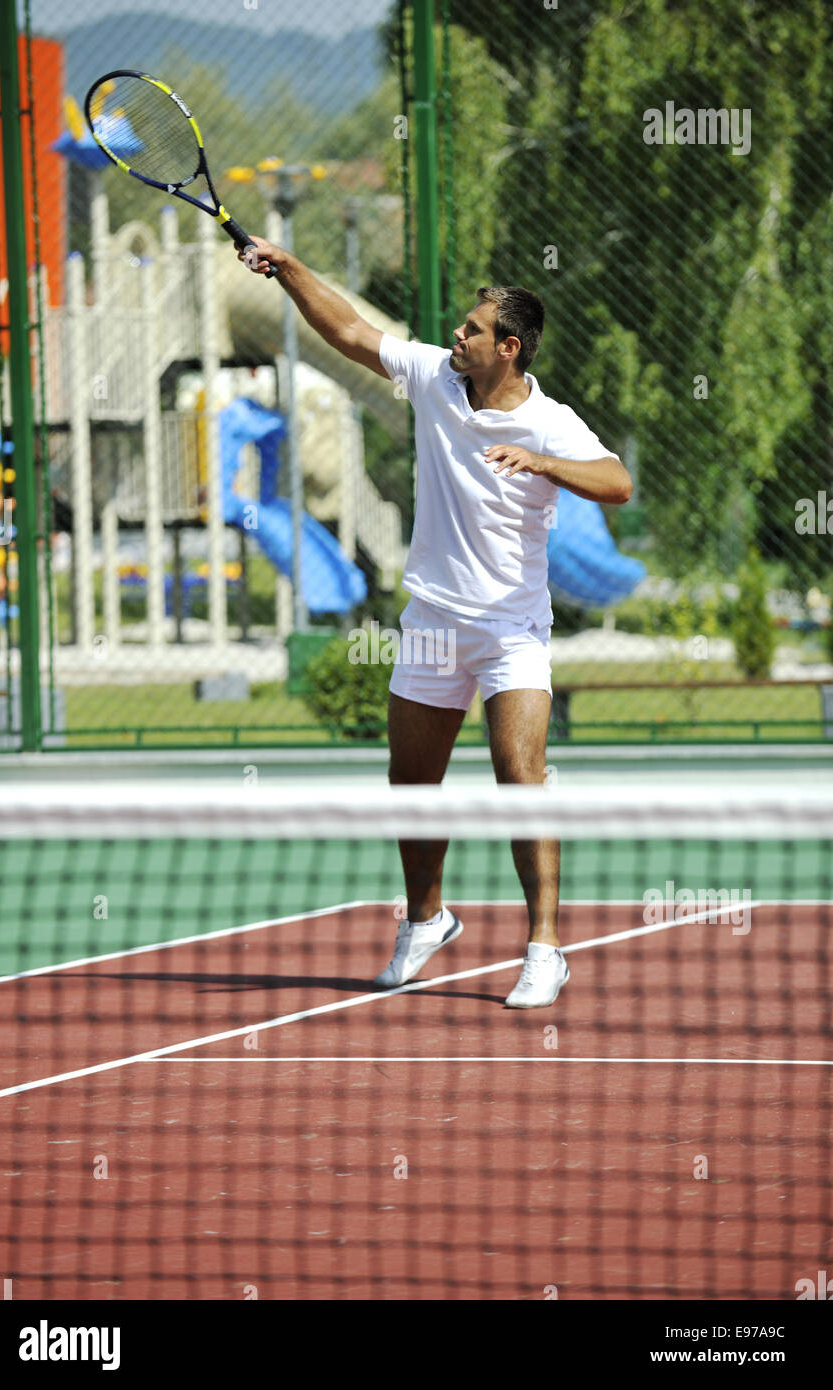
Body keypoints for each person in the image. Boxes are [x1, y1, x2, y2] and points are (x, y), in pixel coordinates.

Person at [238, 239, 632, 1007]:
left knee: (522, 780)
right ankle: (427, 919)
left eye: (473, 330)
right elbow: (349, 332)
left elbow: (615, 481)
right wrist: (287, 268)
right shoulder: (432, 377)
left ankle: (545, 947)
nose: (456, 336)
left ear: (508, 348)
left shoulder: (552, 422)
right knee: (412, 784)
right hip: (430, 623)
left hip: (512, 630)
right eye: (460, 327)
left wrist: (547, 464)